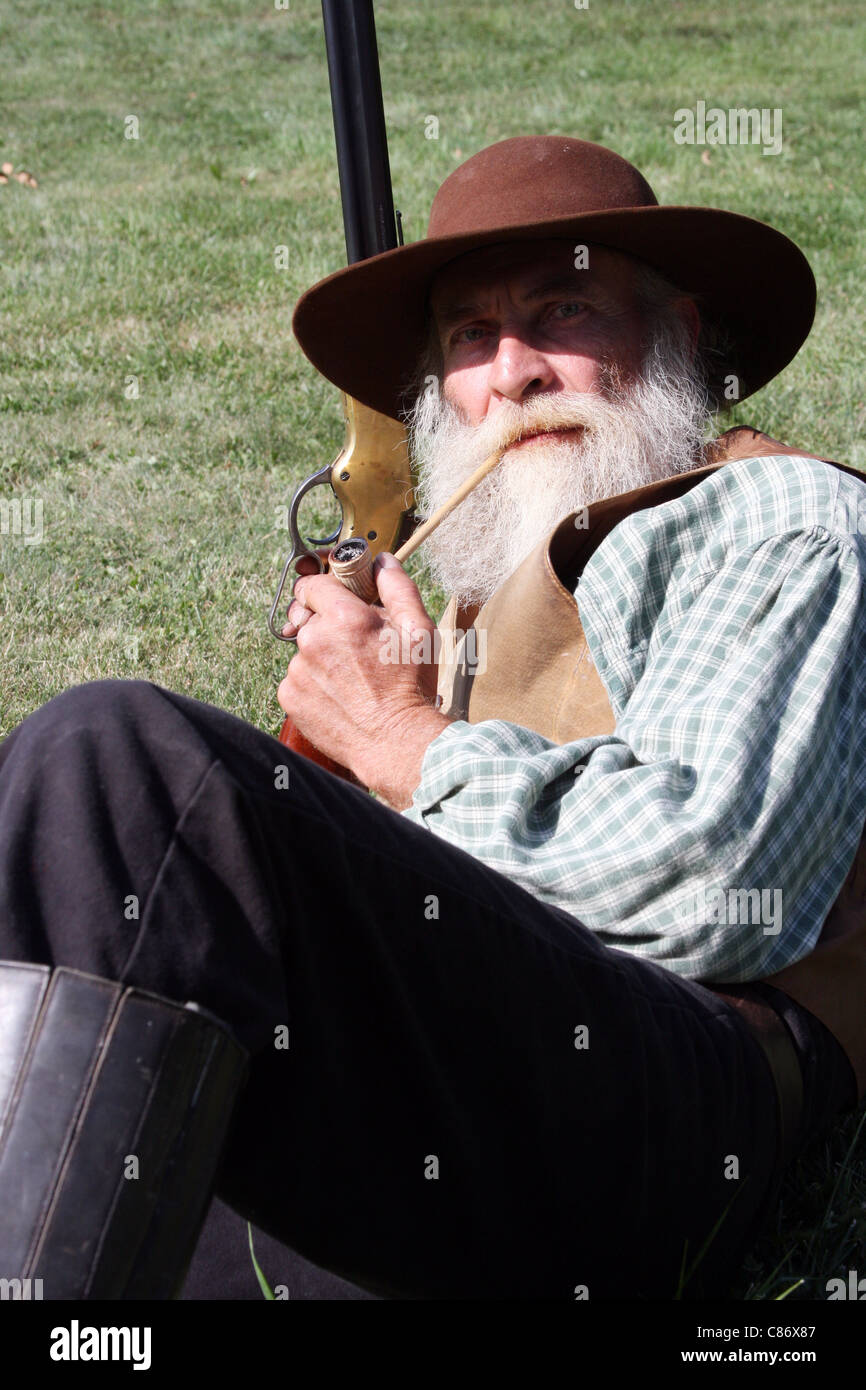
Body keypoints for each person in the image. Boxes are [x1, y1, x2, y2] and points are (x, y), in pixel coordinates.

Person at [0, 136, 863, 1302]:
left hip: (696, 1094)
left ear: (677, 331)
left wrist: (400, 742)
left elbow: (711, 884)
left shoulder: (774, 518)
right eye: (468, 334)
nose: (510, 372)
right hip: (480, 1102)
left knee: (112, 758)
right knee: (97, 927)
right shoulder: (460, 596)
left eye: (562, 310)